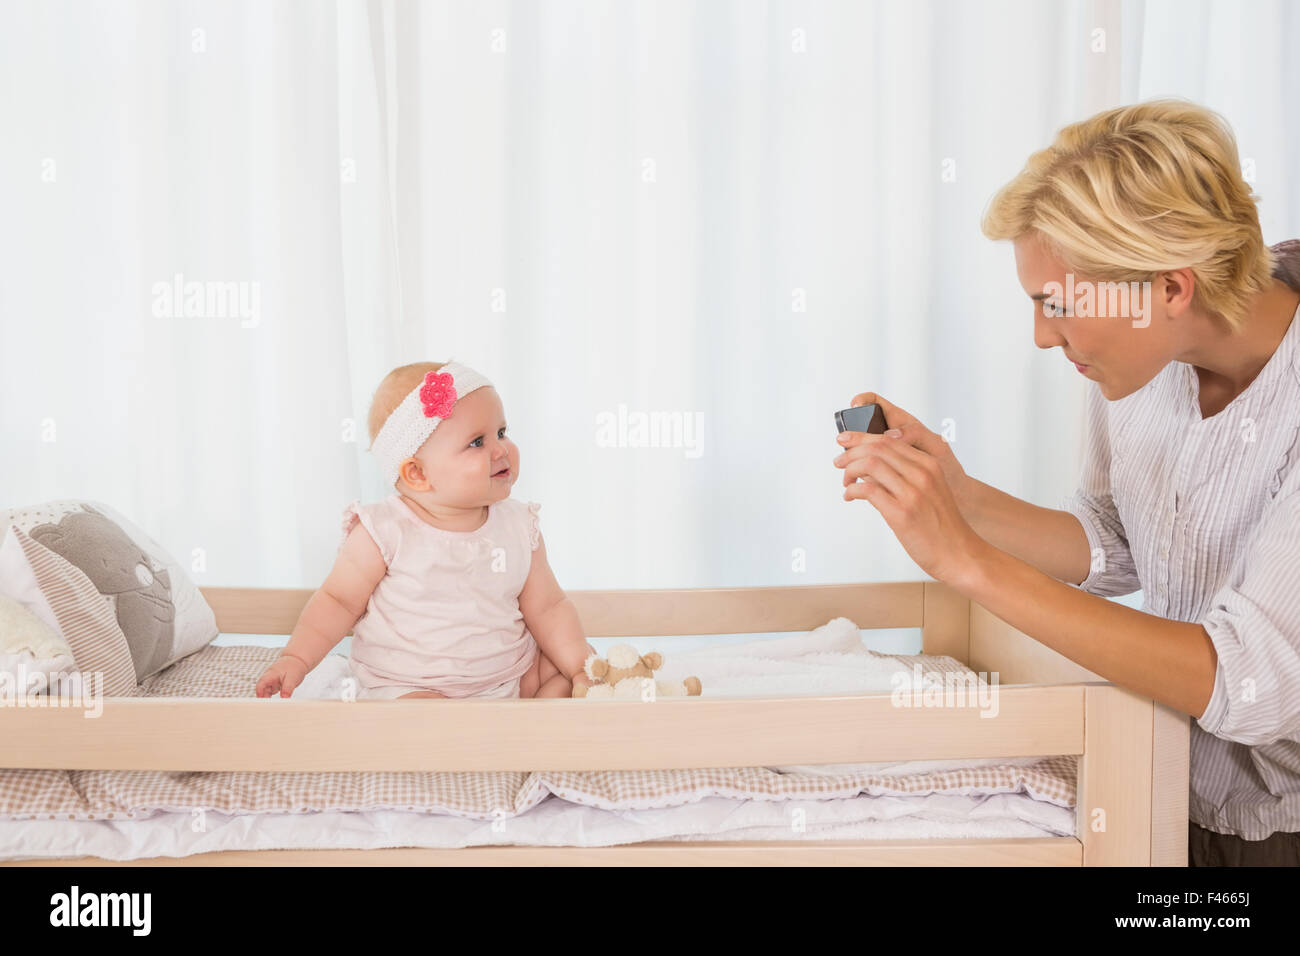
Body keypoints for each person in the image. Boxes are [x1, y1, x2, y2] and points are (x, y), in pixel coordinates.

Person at [833, 99, 1300, 865]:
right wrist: (958, 495)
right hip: (1163, 786)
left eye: (1060, 308)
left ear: (1171, 287)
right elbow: (1119, 542)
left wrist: (966, 562)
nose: (1044, 336)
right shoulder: (1138, 361)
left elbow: (1251, 683)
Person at [256, 360, 596, 701]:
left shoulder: (519, 525)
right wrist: (296, 658)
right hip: (412, 686)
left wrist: (580, 666)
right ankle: (484, 736)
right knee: (418, 714)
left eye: (502, 433)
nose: (500, 449)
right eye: (477, 442)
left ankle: (531, 724)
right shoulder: (385, 530)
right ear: (417, 474)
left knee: (562, 667)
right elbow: (338, 601)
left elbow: (548, 607)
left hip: (509, 676)